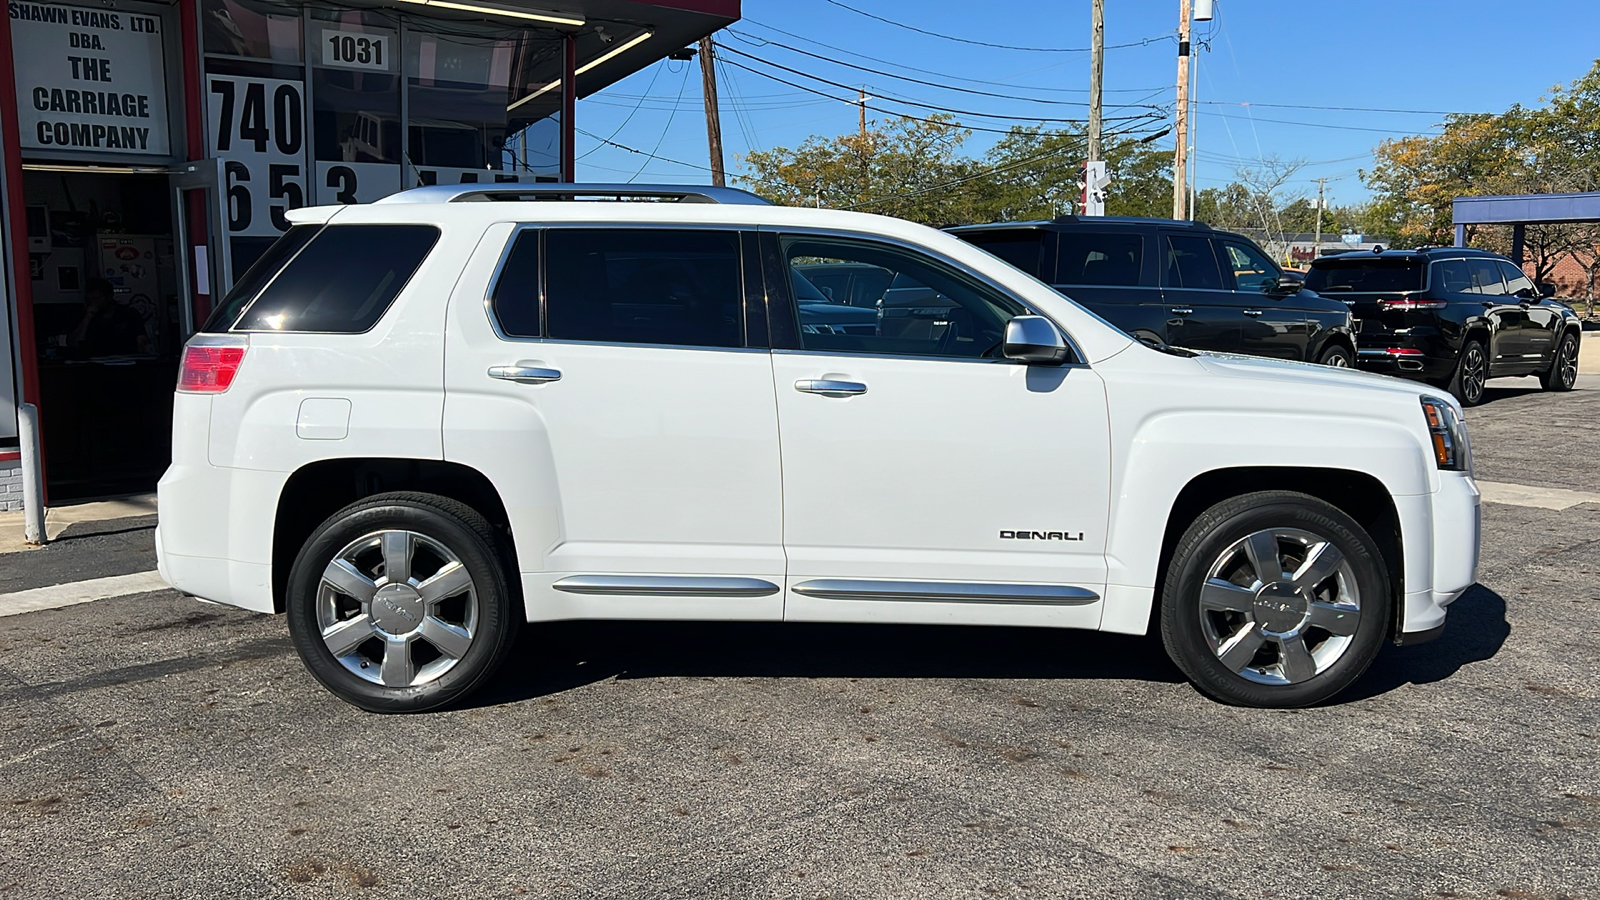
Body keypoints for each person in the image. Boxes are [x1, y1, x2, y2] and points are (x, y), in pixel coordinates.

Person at [70, 278, 150, 356]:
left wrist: (144, 346)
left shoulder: (128, 313)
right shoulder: (85, 316)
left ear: (109, 297)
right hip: (94, 363)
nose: (93, 302)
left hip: (125, 361)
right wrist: (87, 318)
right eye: (90, 299)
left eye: (96, 298)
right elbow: (73, 342)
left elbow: (141, 338)